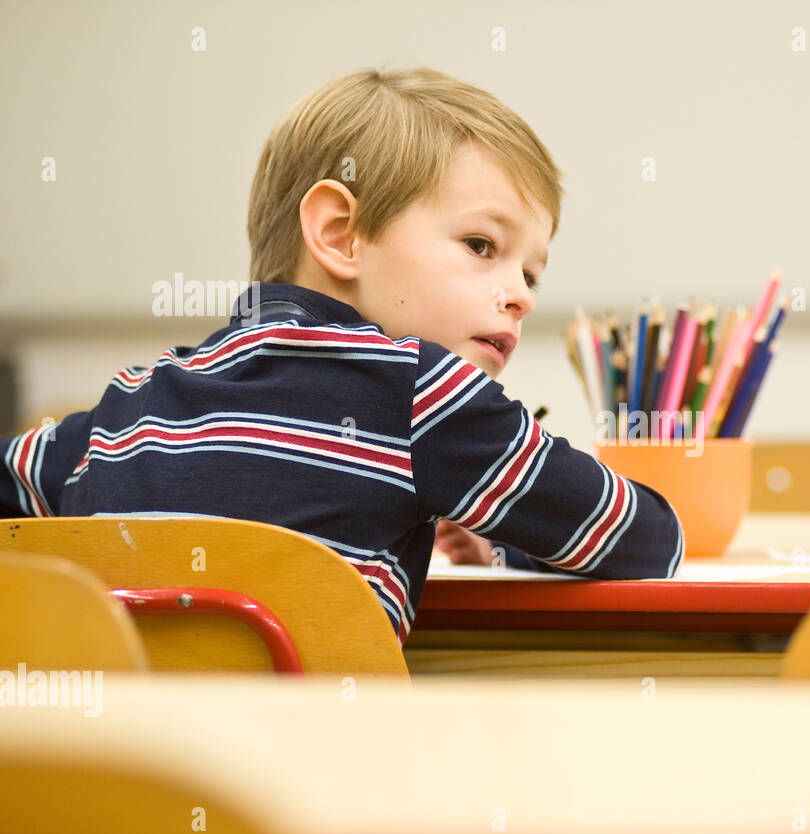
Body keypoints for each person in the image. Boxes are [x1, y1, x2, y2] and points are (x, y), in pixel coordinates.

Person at [0, 68, 683, 643]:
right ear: (339, 234)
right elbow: (645, 541)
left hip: (107, 781)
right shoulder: (423, 396)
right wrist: (511, 538)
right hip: (323, 786)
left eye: (531, 275)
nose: (521, 297)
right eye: (482, 246)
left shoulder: (128, 404)